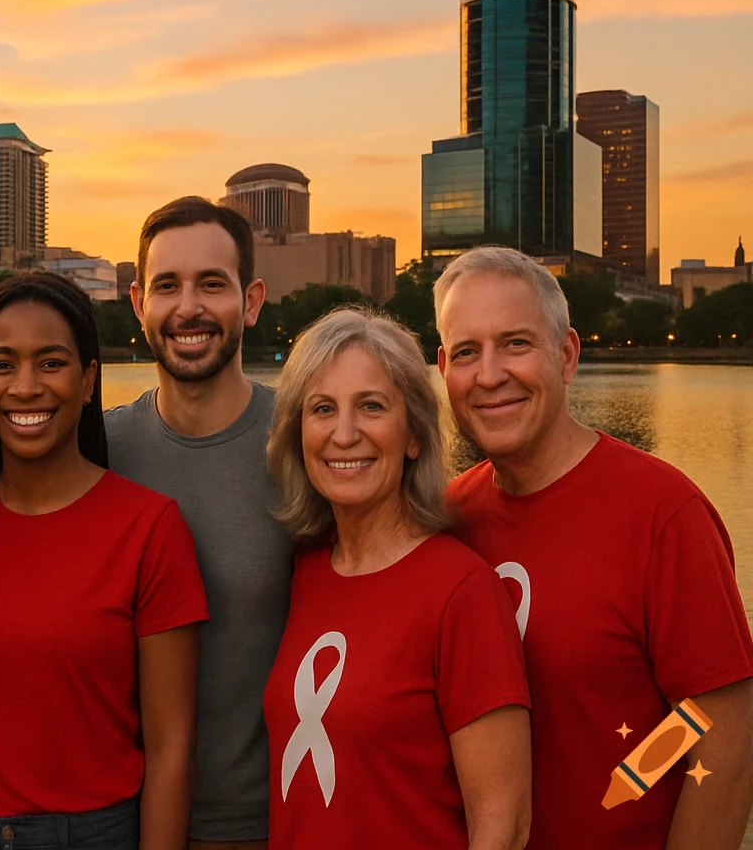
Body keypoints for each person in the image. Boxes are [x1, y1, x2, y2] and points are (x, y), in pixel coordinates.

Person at [436, 246, 753, 850]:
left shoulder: (663, 514)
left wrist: (632, 780)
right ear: (444, 367)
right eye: (468, 352)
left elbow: (723, 739)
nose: (490, 374)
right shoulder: (446, 518)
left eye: (516, 344)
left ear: (566, 355)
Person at [0, 271, 209, 850]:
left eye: (51, 363)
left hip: (95, 834)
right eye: (3, 365)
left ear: (89, 379)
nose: (25, 387)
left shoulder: (149, 529)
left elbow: (172, 749)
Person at [263, 308, 531, 849]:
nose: (344, 434)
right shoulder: (307, 570)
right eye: (322, 409)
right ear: (299, 434)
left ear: (413, 436)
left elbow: (504, 822)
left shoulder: (461, 590)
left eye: (371, 406)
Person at [104, 196, 294, 848]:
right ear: (137, 302)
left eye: (212, 284)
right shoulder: (95, 454)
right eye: (167, 286)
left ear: (251, 299)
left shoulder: (311, 447)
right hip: (110, 823)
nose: (188, 307)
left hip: (270, 826)